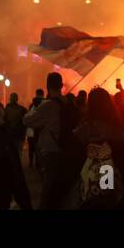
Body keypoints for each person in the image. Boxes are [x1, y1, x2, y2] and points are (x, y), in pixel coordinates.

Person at [23, 72, 81, 209]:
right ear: (61, 85)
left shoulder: (47, 105)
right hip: (68, 150)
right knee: (65, 187)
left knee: (49, 188)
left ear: (47, 86)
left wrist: (35, 107)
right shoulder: (70, 104)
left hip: (51, 151)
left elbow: (27, 121)